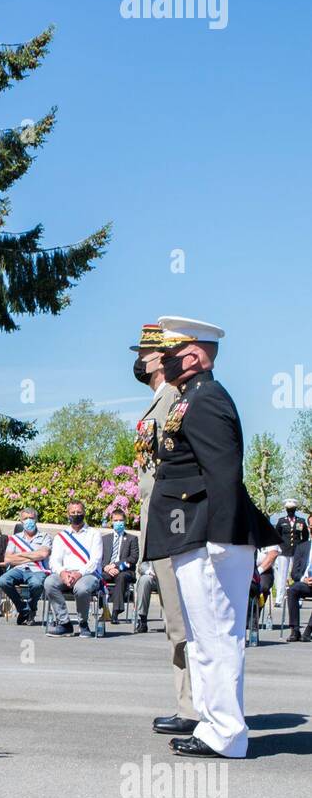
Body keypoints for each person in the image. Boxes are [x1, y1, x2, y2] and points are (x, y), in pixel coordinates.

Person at [144, 316, 274, 759]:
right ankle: (214, 723)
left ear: (195, 355)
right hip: (193, 534)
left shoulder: (207, 399)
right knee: (204, 638)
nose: (162, 360)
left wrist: (220, 535)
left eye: (170, 353)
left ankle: (226, 733)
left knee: (217, 637)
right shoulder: (192, 398)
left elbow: (222, 471)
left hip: (209, 535)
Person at [130, 322, 198, 730]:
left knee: (181, 622)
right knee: (176, 622)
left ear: (159, 357)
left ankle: (192, 709)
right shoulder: (160, 399)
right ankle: (188, 704)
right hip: (160, 526)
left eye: (143, 354)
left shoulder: (173, 397)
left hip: (172, 527)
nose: (138, 361)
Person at [43, 501, 103, 637]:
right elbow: (54, 561)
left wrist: (79, 574)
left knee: (81, 588)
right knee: (49, 582)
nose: (76, 515)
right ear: (68, 515)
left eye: (79, 513)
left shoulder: (94, 534)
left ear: (84, 513)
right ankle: (64, 623)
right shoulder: (61, 537)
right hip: (66, 573)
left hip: (88, 574)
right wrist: (62, 573)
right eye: (73, 513)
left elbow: (95, 560)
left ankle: (83, 623)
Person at [0, 508, 53, 624]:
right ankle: (23, 608)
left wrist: (20, 555)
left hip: (37, 569)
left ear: (36, 519)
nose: (29, 521)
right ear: (21, 521)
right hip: (18, 569)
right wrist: (33, 555)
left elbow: (43, 554)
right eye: (25, 518)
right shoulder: (15, 538)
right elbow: (8, 559)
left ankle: (32, 606)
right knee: (3, 581)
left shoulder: (45, 537)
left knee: (37, 584)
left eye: (31, 518)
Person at [100, 513, 139, 623]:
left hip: (125, 571)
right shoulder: (105, 539)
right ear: (111, 521)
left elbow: (133, 558)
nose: (118, 523)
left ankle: (116, 612)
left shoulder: (132, 539)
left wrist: (117, 566)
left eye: (120, 520)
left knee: (121, 577)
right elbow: (99, 558)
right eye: (115, 520)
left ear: (125, 521)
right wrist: (106, 568)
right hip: (108, 571)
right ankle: (104, 609)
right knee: (97, 578)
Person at [273, 499, 309, 605]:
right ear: (286, 510)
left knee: (298, 575)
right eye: (289, 509)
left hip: (297, 552)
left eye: (292, 509)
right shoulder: (281, 521)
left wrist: (301, 548)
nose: (290, 511)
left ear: (295, 509)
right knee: (282, 576)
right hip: (284, 552)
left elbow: (305, 536)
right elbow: (277, 535)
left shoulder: (301, 521)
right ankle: (279, 600)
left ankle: (299, 600)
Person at [285, 559, 312, 642]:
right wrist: (304, 579)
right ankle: (295, 630)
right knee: (292, 590)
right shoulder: (303, 547)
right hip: (306, 583)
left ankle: (308, 631)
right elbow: (294, 573)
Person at [134, 559, 159, 632]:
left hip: (170, 576)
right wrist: (149, 572)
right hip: (153, 577)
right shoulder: (150, 547)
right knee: (144, 579)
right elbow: (142, 565)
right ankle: (143, 620)